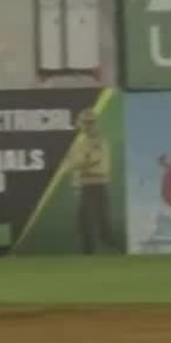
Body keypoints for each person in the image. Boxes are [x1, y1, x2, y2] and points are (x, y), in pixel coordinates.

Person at [65, 108, 120, 253]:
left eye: (91, 122)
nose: (88, 125)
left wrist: (79, 162)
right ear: (80, 124)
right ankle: (89, 253)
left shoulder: (98, 141)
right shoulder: (80, 142)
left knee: (101, 225)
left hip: (97, 184)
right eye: (85, 123)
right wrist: (78, 163)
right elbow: (73, 164)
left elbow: (91, 161)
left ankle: (116, 251)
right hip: (86, 185)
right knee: (84, 223)